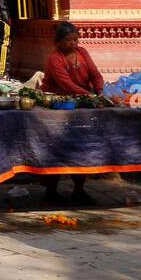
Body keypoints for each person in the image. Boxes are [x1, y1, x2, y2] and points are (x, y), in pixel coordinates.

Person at [40, 21, 104, 206]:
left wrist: (99, 91)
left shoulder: (83, 53)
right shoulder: (55, 59)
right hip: (59, 104)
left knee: (81, 146)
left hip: (83, 102)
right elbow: (65, 84)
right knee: (56, 146)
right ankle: (51, 190)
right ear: (59, 42)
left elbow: (95, 74)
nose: (73, 44)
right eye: (69, 40)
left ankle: (79, 189)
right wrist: (89, 95)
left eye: (76, 39)